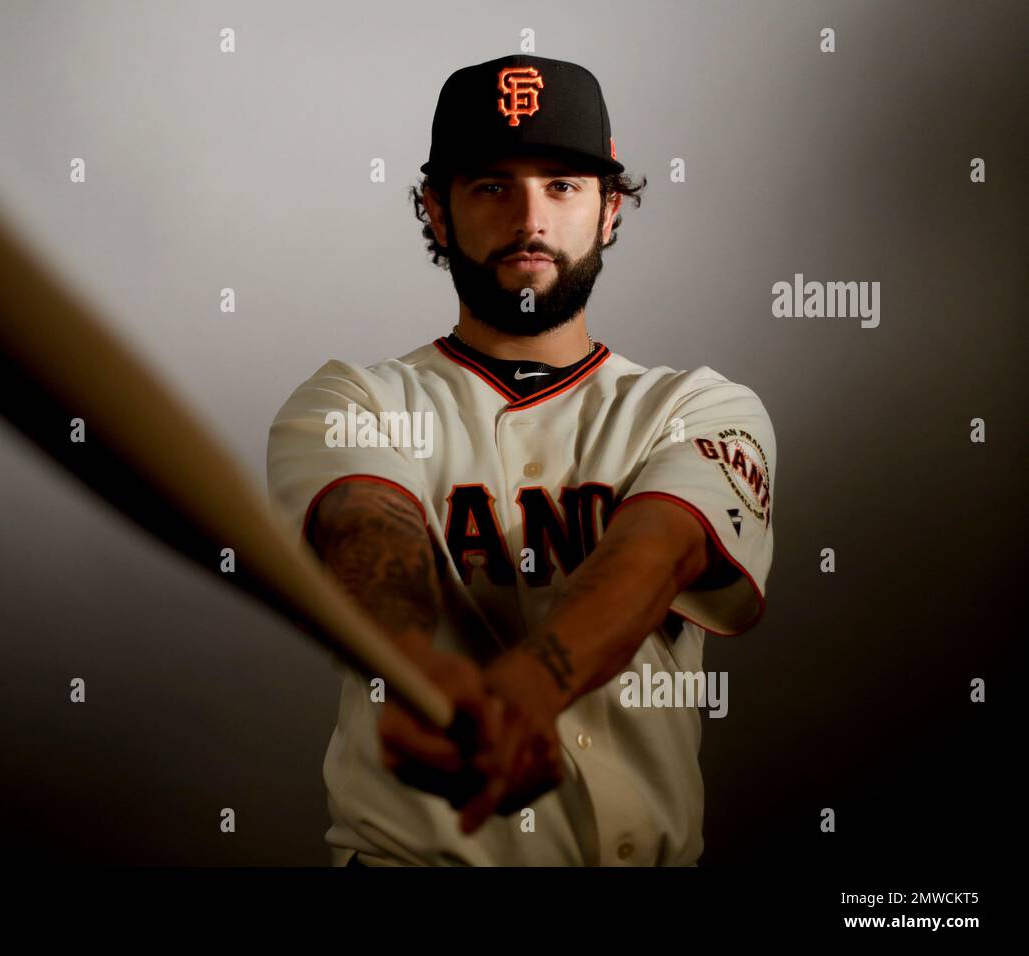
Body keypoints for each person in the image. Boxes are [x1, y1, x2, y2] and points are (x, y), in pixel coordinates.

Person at [266, 54, 776, 866]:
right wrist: (410, 668)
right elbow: (367, 522)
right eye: (492, 185)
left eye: (564, 184)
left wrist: (523, 693)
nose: (530, 216)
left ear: (610, 210)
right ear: (437, 212)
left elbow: (659, 550)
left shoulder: (699, 408)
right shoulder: (350, 400)